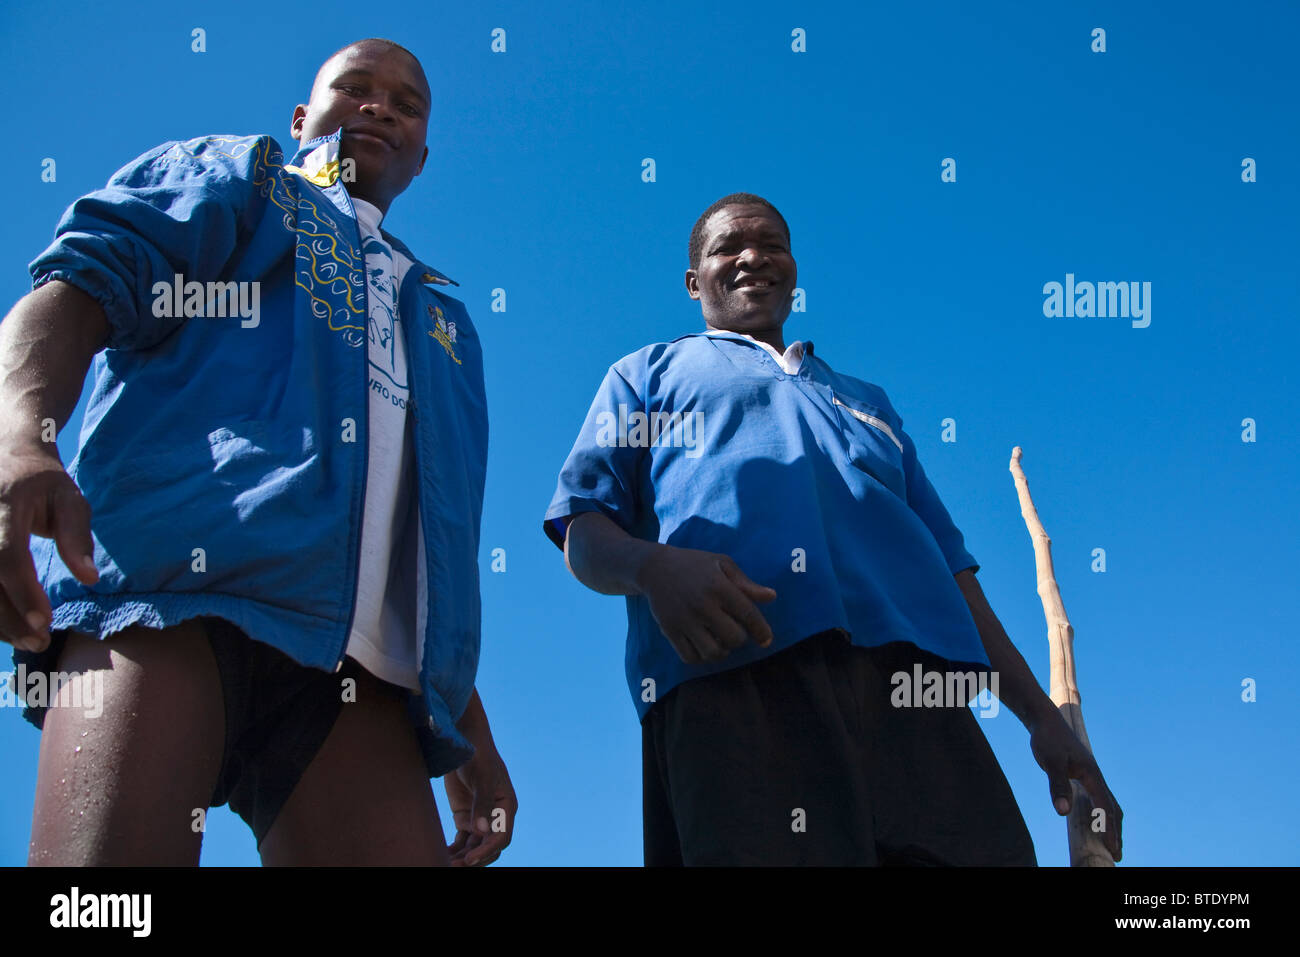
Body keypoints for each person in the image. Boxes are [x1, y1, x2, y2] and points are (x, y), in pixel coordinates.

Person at [0, 38, 516, 866]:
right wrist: (23, 434)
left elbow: (412, 540)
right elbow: (74, 287)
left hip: (358, 679)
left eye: (407, 104)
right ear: (302, 117)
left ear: (424, 156)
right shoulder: (244, 180)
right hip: (169, 600)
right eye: (355, 88)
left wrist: (466, 723)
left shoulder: (447, 321)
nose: (380, 106)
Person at [543, 192, 1123, 866]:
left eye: (772, 243)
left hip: (918, 694)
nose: (753, 255)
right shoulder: (647, 374)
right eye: (728, 247)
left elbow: (954, 576)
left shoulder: (868, 402)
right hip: (734, 678)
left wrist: (1043, 720)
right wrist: (652, 568)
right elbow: (582, 526)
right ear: (694, 281)